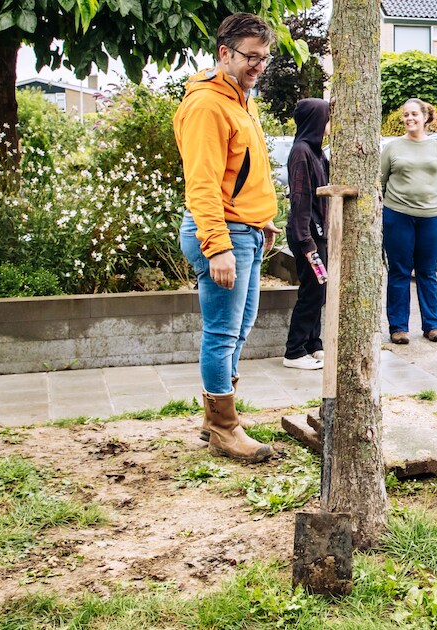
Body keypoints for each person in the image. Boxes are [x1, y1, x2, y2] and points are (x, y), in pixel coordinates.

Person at [175, 12, 279, 464]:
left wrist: (261, 219)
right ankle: (223, 428)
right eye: (251, 57)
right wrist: (217, 246)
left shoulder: (241, 99)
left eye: (265, 58)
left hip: (247, 231)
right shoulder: (207, 105)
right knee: (221, 334)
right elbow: (202, 183)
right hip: (223, 235)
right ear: (224, 53)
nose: (258, 66)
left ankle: (218, 417)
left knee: (238, 332)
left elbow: (242, 172)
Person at [379, 98, 437, 344]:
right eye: (405, 115)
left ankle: (432, 325)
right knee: (399, 271)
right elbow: (379, 185)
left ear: (425, 117)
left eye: (414, 114)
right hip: (398, 215)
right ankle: (398, 327)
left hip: (432, 218)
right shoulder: (393, 148)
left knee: (427, 272)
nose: (409, 118)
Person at [282, 98, 331, 370]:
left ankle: (313, 343)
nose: (328, 125)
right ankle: (294, 350)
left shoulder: (317, 152)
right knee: (312, 290)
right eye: (325, 118)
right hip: (307, 235)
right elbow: (299, 199)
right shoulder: (301, 152)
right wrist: (306, 242)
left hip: (317, 233)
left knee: (320, 288)